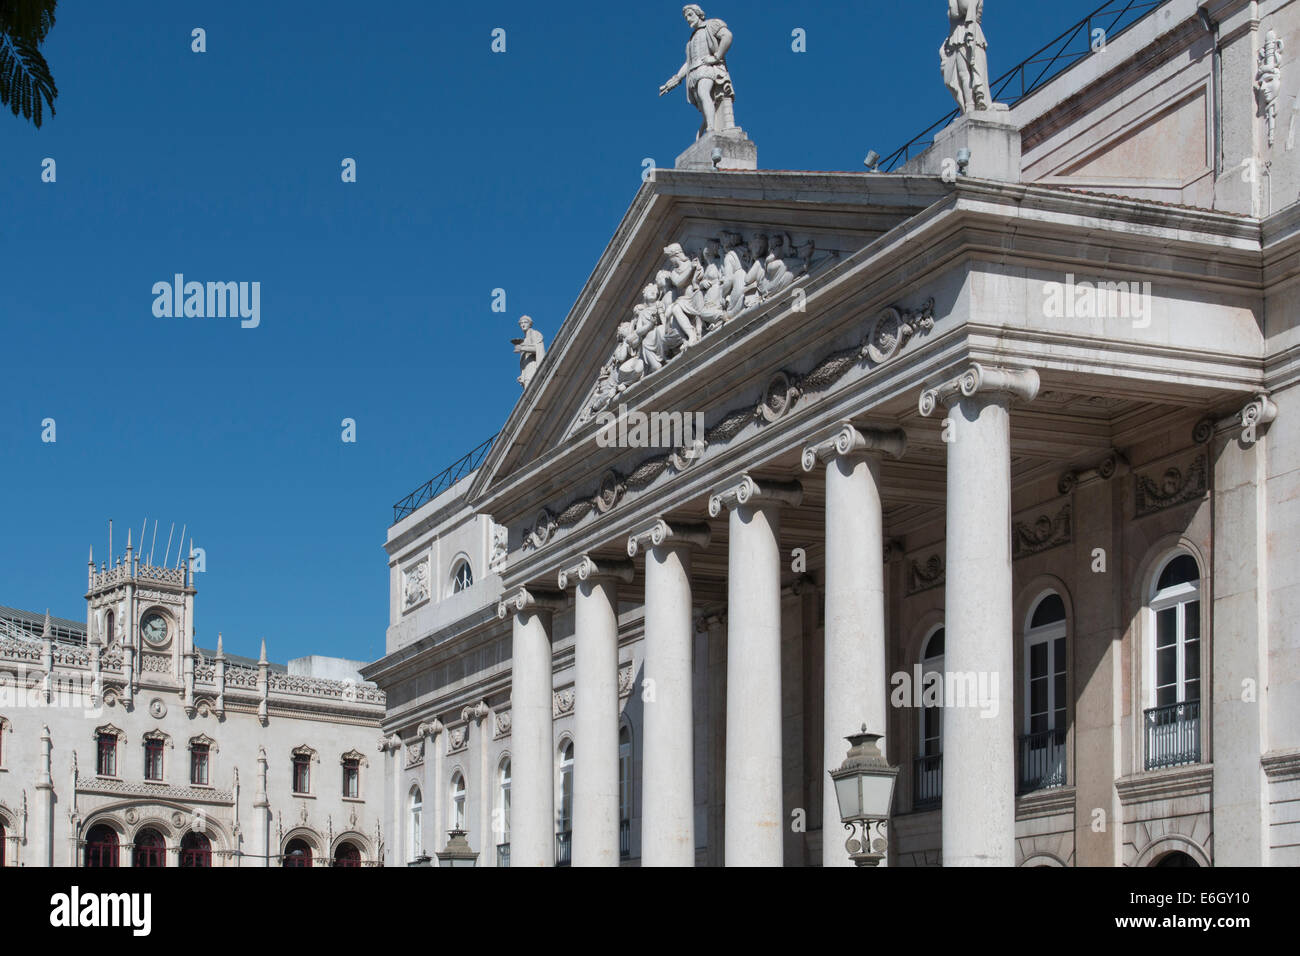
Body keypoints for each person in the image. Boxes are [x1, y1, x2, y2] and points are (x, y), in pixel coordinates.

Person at [659, 5, 737, 139]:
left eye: (690, 15)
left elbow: (727, 36)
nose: (688, 19)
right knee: (704, 102)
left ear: (698, 14)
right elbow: (688, 63)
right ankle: (710, 127)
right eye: (686, 17)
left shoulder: (711, 25)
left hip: (706, 68)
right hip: (693, 74)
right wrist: (676, 79)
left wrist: (717, 56)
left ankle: (711, 128)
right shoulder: (690, 41)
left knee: (703, 92)